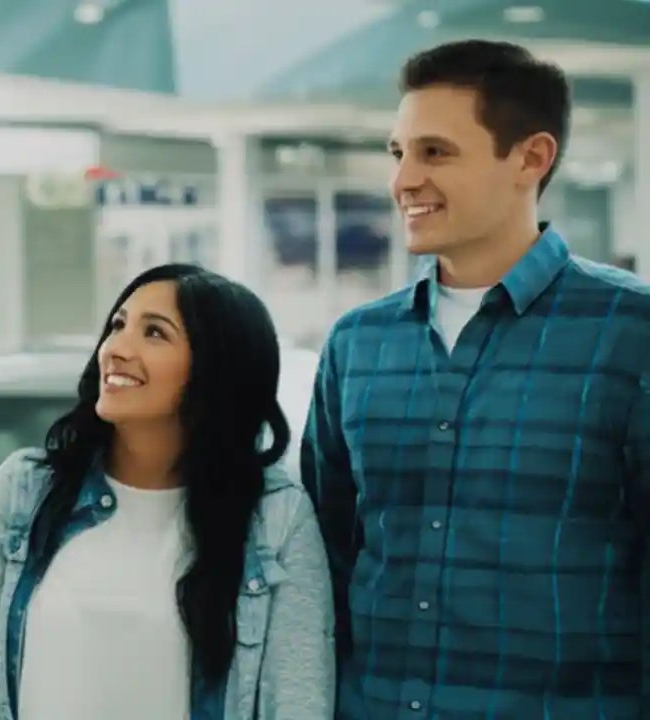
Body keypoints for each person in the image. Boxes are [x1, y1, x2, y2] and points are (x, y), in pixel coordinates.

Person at [301, 39, 650, 719]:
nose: (404, 181)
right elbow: (325, 564)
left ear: (531, 158)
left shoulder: (631, 334)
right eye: (398, 153)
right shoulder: (358, 344)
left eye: (435, 152)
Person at [0, 263, 335, 720]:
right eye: (118, 325)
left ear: (215, 369)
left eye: (155, 333)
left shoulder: (277, 519)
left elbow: (299, 704)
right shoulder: (25, 490)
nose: (116, 349)